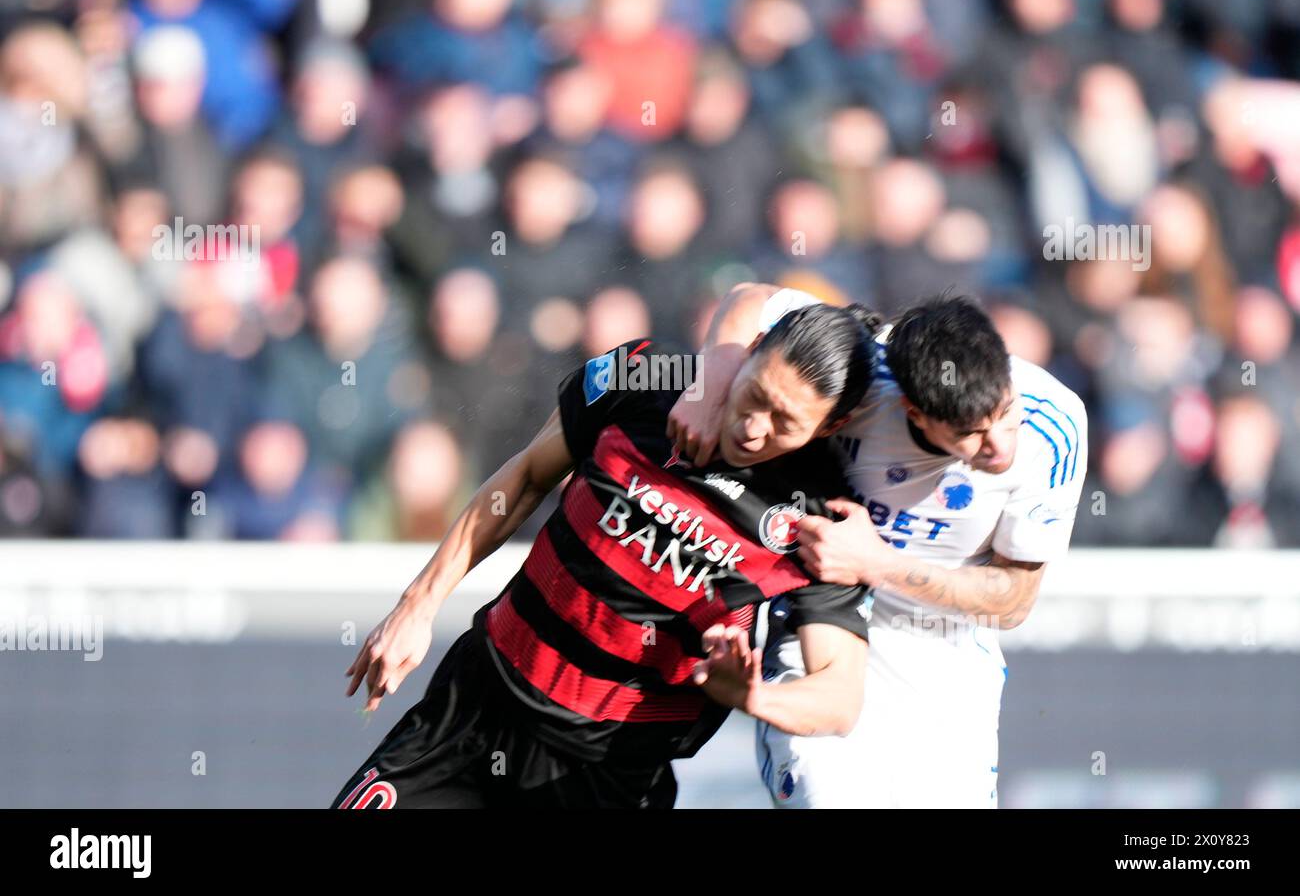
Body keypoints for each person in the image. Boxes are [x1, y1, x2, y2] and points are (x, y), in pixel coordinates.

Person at [332, 303, 879, 809]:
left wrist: (753, 695)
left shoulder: (824, 516)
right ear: (753, 346)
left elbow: (840, 696)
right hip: (479, 701)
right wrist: (418, 605)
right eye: (755, 393)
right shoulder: (649, 376)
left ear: (828, 427)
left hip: (607, 770)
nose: (753, 428)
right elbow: (524, 478)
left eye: (785, 423)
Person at [667, 283, 1089, 808]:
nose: (1001, 445)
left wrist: (879, 563)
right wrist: (709, 387)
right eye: (972, 435)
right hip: (819, 633)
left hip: (946, 658)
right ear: (914, 412)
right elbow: (748, 299)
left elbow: (1013, 601)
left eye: (1005, 413)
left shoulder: (1056, 422)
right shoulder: (864, 368)